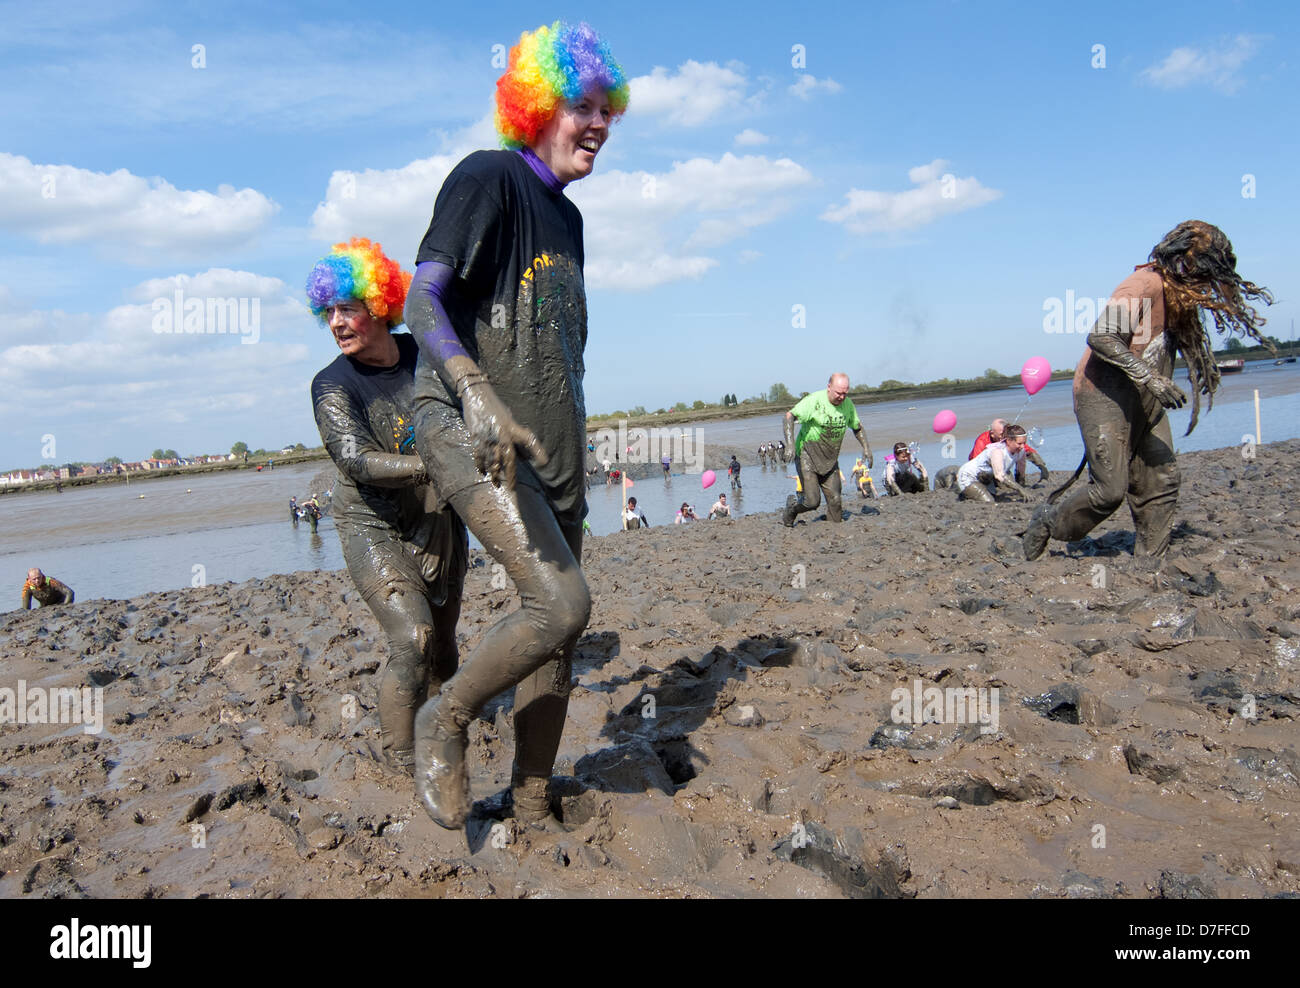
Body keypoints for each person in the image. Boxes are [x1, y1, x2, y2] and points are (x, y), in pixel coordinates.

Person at [402, 21, 629, 830]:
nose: (599, 123)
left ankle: (531, 797)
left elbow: (557, 352)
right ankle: (448, 716)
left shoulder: (568, 222)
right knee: (563, 605)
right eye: (581, 105)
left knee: (556, 642)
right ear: (535, 105)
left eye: (609, 108)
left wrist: (577, 453)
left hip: (551, 452)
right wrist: (473, 390)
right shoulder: (489, 176)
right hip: (469, 430)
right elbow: (419, 299)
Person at [309, 238, 468, 775]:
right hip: (371, 523)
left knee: (443, 645)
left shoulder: (423, 354)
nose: (336, 322)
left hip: (438, 519)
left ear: (379, 305)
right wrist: (437, 465)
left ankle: (443, 721)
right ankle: (402, 759)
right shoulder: (331, 384)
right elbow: (356, 460)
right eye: (328, 312)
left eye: (347, 308)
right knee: (413, 636)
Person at [1025, 221, 1272, 560]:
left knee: (1162, 478)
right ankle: (1051, 521)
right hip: (1104, 394)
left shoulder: (1178, 297)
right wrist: (1151, 378)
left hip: (1145, 398)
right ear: (1186, 260)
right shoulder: (1144, 283)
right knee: (1108, 491)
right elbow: (1101, 337)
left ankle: (1149, 560)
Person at [782, 373, 872, 526]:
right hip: (807, 455)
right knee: (812, 501)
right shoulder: (814, 401)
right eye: (838, 393)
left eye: (845, 393)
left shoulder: (848, 405)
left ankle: (833, 532)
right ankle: (791, 510)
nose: (842, 397)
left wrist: (866, 448)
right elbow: (789, 416)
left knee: (836, 501)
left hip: (830, 459)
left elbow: (857, 427)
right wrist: (790, 444)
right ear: (829, 387)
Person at [956, 424, 1030, 502]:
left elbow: (1020, 473)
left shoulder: (1021, 451)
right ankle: (964, 494)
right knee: (989, 501)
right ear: (1008, 440)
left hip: (986, 479)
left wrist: (1023, 489)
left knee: (994, 497)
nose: (1022, 446)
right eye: (1019, 443)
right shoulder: (997, 451)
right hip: (968, 476)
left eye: (1024, 443)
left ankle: (973, 492)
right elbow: (1000, 476)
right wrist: (1020, 489)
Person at [970, 418, 1049, 484]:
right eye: (1001, 434)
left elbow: (1026, 449)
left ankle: (1022, 480)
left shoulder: (1008, 438)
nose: (1004, 437)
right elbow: (976, 462)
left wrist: (1042, 467)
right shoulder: (982, 441)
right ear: (992, 433)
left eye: (1006, 433)